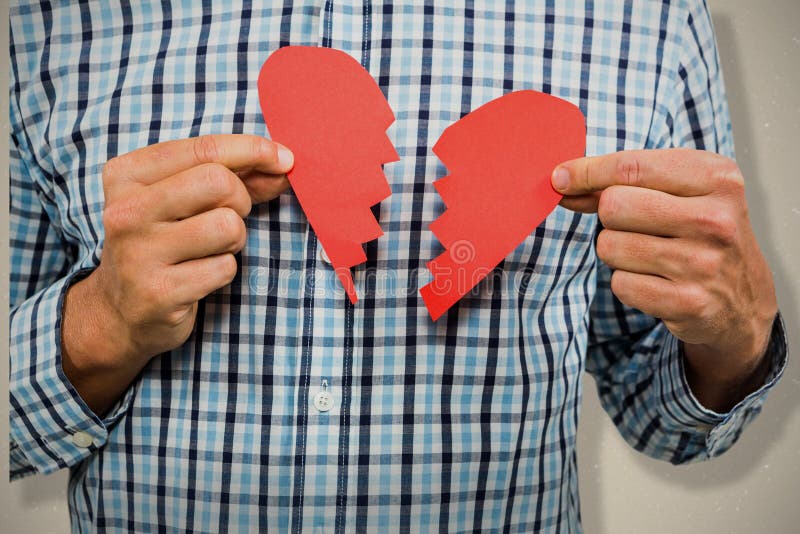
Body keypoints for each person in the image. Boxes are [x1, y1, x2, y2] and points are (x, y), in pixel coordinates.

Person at [9, 1, 786, 532]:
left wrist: (738, 337)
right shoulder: (60, 20)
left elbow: (663, 413)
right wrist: (101, 324)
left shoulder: (647, 21)